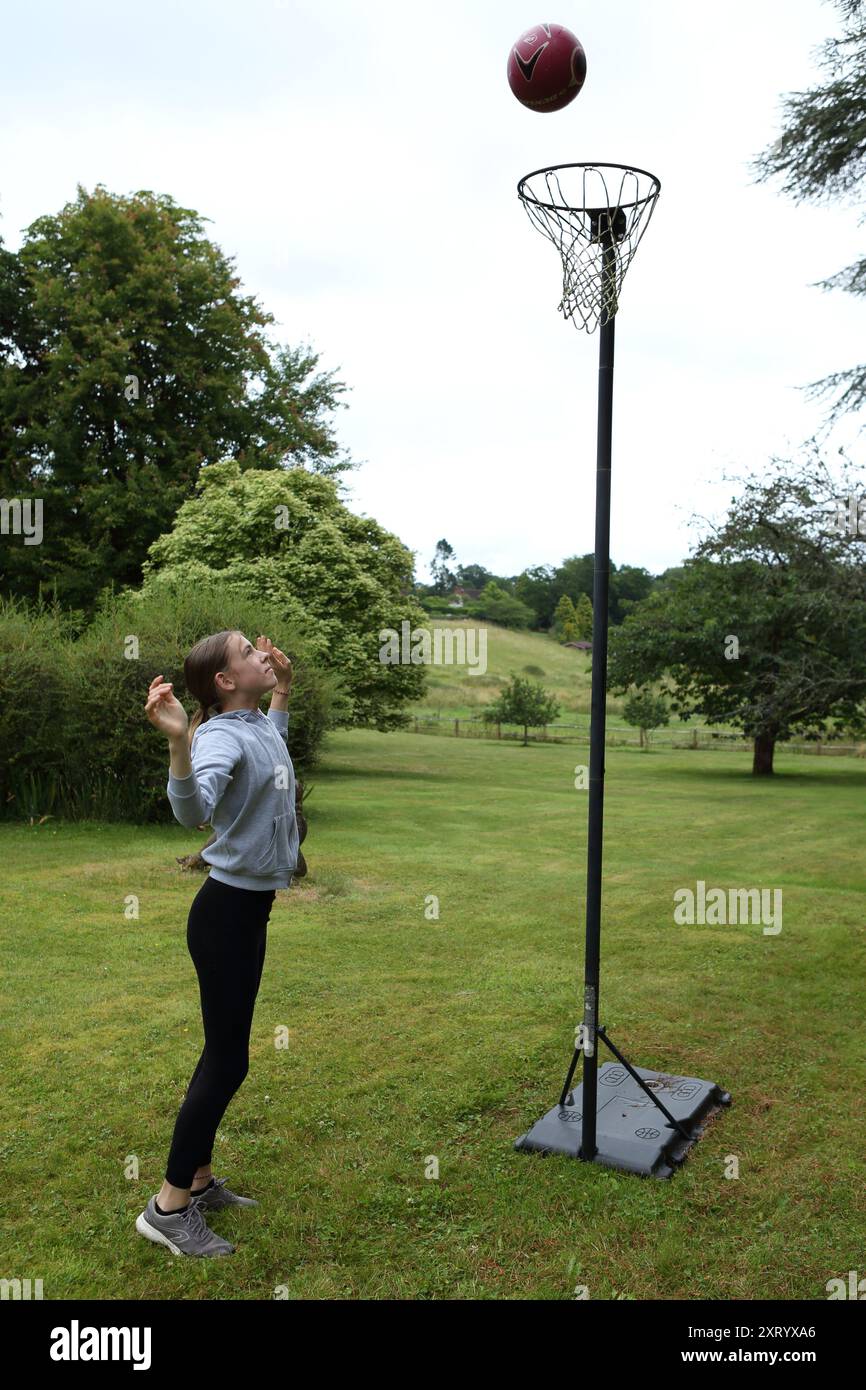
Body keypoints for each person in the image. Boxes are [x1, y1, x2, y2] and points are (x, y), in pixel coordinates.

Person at [136, 630, 298, 1257]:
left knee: (223, 1051)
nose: (262, 651)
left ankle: (199, 1183)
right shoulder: (219, 735)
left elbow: (275, 752)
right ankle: (169, 1207)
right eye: (247, 652)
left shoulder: (254, 722)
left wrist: (282, 691)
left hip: (246, 910)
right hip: (226, 913)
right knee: (229, 1060)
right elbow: (193, 811)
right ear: (225, 681)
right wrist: (179, 739)